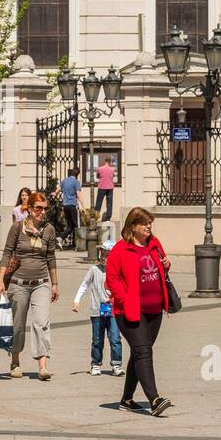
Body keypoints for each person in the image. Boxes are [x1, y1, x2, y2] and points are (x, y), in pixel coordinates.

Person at [105, 207, 174, 416]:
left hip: (155, 309)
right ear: (133, 226)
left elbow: (160, 268)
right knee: (144, 351)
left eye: (150, 223)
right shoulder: (120, 249)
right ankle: (154, 399)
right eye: (144, 223)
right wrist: (125, 299)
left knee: (139, 352)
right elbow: (112, 278)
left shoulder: (154, 243)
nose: (148, 227)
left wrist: (166, 265)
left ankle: (127, 399)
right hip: (130, 311)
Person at [0, 191, 58, 380]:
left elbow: (51, 258)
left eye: (45, 209)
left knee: (41, 323)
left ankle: (42, 366)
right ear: (29, 209)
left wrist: (55, 284)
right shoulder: (17, 227)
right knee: (18, 325)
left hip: (41, 283)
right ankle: (15, 361)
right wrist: (0, 281)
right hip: (18, 284)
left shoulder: (49, 230)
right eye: (38, 208)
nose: (42, 212)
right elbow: (6, 254)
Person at [74, 238, 122, 376]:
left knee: (115, 338)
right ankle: (95, 364)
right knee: (97, 339)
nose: (105, 257)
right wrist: (77, 300)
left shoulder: (119, 270)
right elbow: (84, 284)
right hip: (97, 309)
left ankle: (116, 364)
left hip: (113, 309)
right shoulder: (94, 269)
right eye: (103, 253)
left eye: (108, 254)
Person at [59, 168, 83, 248]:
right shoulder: (76, 182)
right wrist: (83, 205)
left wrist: (55, 193)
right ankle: (77, 244)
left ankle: (61, 237)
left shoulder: (64, 181)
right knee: (76, 225)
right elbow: (78, 195)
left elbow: (58, 190)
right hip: (72, 205)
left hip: (65, 205)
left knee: (70, 225)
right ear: (77, 175)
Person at [94, 157, 116, 223]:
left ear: (105, 161)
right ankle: (108, 219)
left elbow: (97, 176)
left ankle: (95, 218)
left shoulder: (99, 169)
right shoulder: (112, 169)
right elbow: (113, 176)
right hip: (110, 187)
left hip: (102, 187)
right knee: (109, 203)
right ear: (110, 162)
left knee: (99, 202)